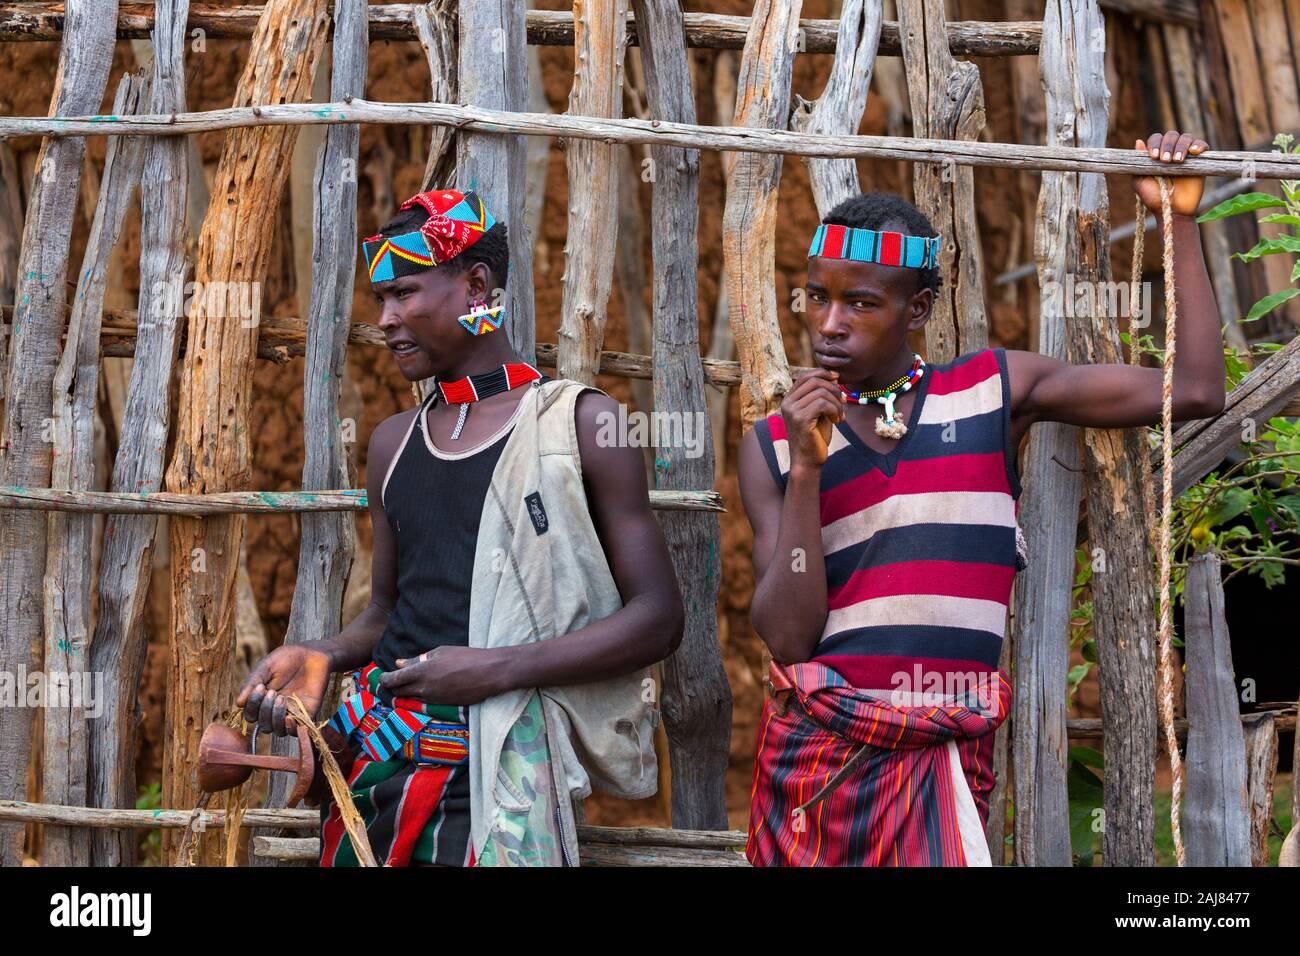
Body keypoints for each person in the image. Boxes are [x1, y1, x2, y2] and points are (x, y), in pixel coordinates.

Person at [741, 131, 1226, 866]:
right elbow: (785, 640)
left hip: (943, 755)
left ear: (918, 309)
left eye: (860, 303)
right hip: (818, 769)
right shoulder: (775, 442)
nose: (829, 323)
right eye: (817, 297)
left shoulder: (993, 392)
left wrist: (1179, 221)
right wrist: (808, 472)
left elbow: (1193, 390)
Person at [236, 187, 684, 866]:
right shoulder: (393, 443)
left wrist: (494, 669)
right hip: (379, 766)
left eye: (406, 294)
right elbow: (387, 612)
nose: (386, 319)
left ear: (476, 285)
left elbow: (658, 617)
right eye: (381, 299)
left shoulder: (580, 424)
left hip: (502, 765)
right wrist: (323, 652)